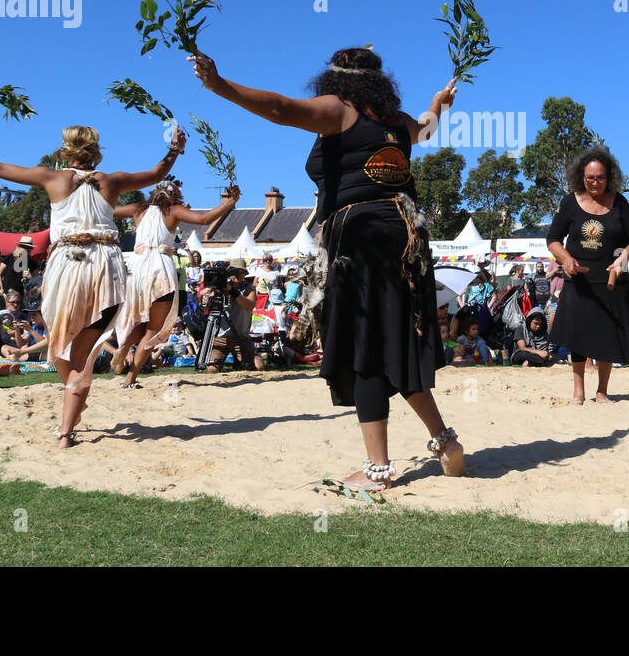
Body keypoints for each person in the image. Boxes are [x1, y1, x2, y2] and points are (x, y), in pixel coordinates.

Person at [190, 45, 463, 490]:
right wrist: (439, 104)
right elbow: (425, 129)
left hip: (361, 235)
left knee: (364, 345)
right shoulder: (395, 120)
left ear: (337, 79)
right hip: (405, 233)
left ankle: (377, 469)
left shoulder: (341, 109)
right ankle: (445, 441)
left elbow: (280, 109)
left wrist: (220, 85)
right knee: (393, 339)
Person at [0, 117, 184, 446]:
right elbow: (158, 174)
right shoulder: (112, 181)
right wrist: (174, 148)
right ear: (97, 151)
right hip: (105, 266)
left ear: (66, 150)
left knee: (59, 346)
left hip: (68, 266)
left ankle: (70, 410)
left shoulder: (52, 177)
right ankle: (69, 417)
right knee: (79, 354)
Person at [111, 179, 239, 387]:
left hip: (136, 269)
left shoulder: (138, 209)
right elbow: (205, 219)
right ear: (174, 195)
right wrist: (230, 202)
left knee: (142, 323)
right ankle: (130, 378)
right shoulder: (173, 211)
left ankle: (124, 347)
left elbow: (109, 209)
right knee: (153, 329)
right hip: (159, 269)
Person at [546, 145, 629, 404]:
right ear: (581, 176)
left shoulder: (620, 202)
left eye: (600, 178)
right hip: (578, 281)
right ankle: (578, 391)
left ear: (609, 177)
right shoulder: (569, 202)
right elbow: (553, 239)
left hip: (610, 280)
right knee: (578, 335)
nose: (595, 182)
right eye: (590, 177)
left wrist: (623, 258)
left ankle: (602, 391)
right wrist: (566, 259)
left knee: (607, 335)